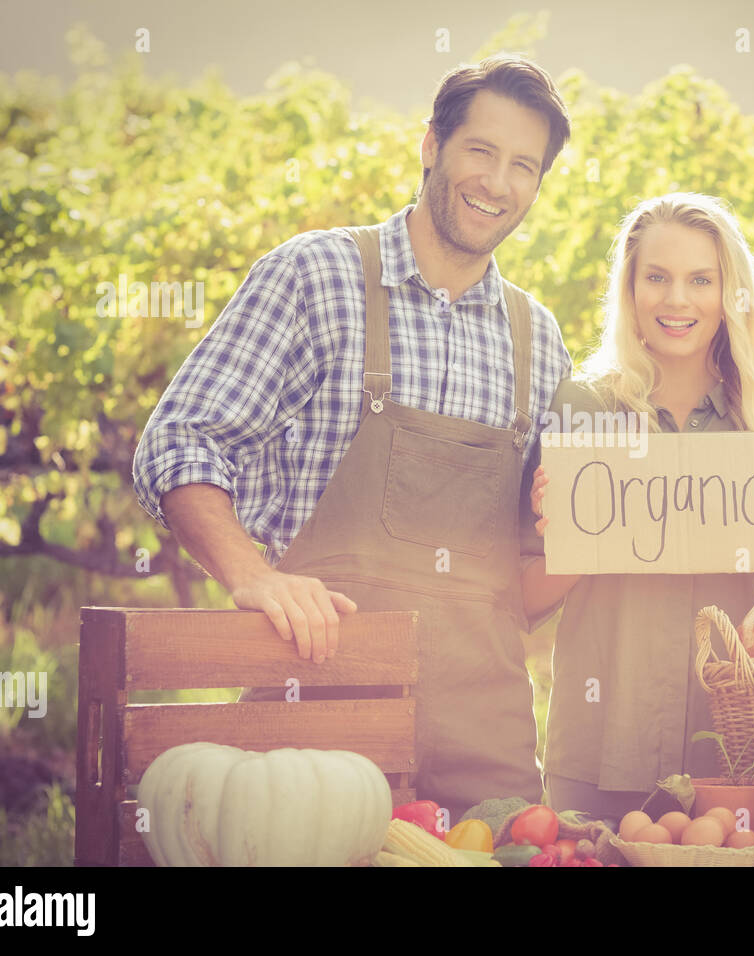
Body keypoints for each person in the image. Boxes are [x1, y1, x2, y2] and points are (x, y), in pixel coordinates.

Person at [132, 55, 573, 820]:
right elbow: (179, 440)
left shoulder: (541, 342)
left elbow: (536, 566)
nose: (498, 183)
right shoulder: (317, 276)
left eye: (522, 167)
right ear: (431, 144)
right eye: (481, 151)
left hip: (486, 766)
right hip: (312, 746)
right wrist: (252, 575)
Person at [519, 192, 754, 819]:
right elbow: (527, 598)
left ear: (731, 295)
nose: (677, 300)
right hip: (601, 753)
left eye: (701, 279)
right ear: (630, 289)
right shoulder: (584, 407)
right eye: (658, 278)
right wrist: (574, 532)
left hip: (740, 760)